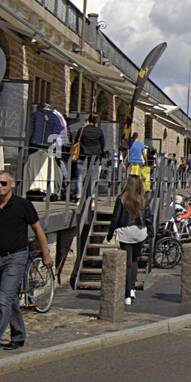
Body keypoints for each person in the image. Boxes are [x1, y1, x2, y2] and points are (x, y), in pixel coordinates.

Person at [0, 170, 53, 361]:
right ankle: (19, 335)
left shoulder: (23, 206)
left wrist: (46, 254)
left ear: (12, 185)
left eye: (3, 184)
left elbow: (38, 230)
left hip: (16, 257)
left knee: (4, 300)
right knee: (11, 300)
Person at [110, 175, 149, 305]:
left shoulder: (121, 199)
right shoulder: (143, 198)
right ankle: (132, 288)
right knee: (134, 260)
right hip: (139, 231)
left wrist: (110, 233)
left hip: (126, 232)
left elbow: (115, 218)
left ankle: (127, 295)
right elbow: (148, 216)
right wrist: (151, 231)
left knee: (127, 264)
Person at [74, 113, 106, 200]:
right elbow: (102, 144)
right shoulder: (99, 131)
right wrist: (102, 154)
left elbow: (76, 141)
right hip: (95, 157)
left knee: (80, 176)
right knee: (94, 177)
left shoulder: (82, 129)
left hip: (82, 155)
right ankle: (91, 196)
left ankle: (78, 196)